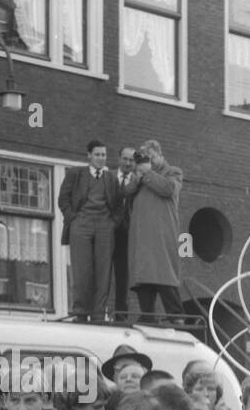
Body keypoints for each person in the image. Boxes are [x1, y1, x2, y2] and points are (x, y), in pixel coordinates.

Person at [58, 139, 123, 322]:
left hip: (104, 226)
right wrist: (74, 219)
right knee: (81, 270)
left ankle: (98, 314)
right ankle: (80, 312)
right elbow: (63, 199)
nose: (101, 158)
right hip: (81, 224)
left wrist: (112, 223)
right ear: (89, 156)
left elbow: (119, 205)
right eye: (97, 155)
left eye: (103, 155)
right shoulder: (75, 174)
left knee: (103, 271)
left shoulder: (111, 177)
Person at [124, 139, 185, 325]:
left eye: (151, 157)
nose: (148, 161)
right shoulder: (140, 177)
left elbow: (168, 189)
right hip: (142, 237)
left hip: (161, 235)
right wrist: (139, 175)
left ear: (160, 155)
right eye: (145, 158)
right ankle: (147, 314)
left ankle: (176, 316)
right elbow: (126, 192)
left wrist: (147, 173)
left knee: (164, 274)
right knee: (143, 277)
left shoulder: (173, 172)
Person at [112, 145, 136, 318]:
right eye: (125, 159)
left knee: (123, 276)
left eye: (131, 160)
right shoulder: (108, 177)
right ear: (119, 159)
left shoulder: (138, 180)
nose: (128, 163)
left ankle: (121, 314)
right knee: (102, 273)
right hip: (108, 231)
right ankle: (98, 312)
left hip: (127, 234)